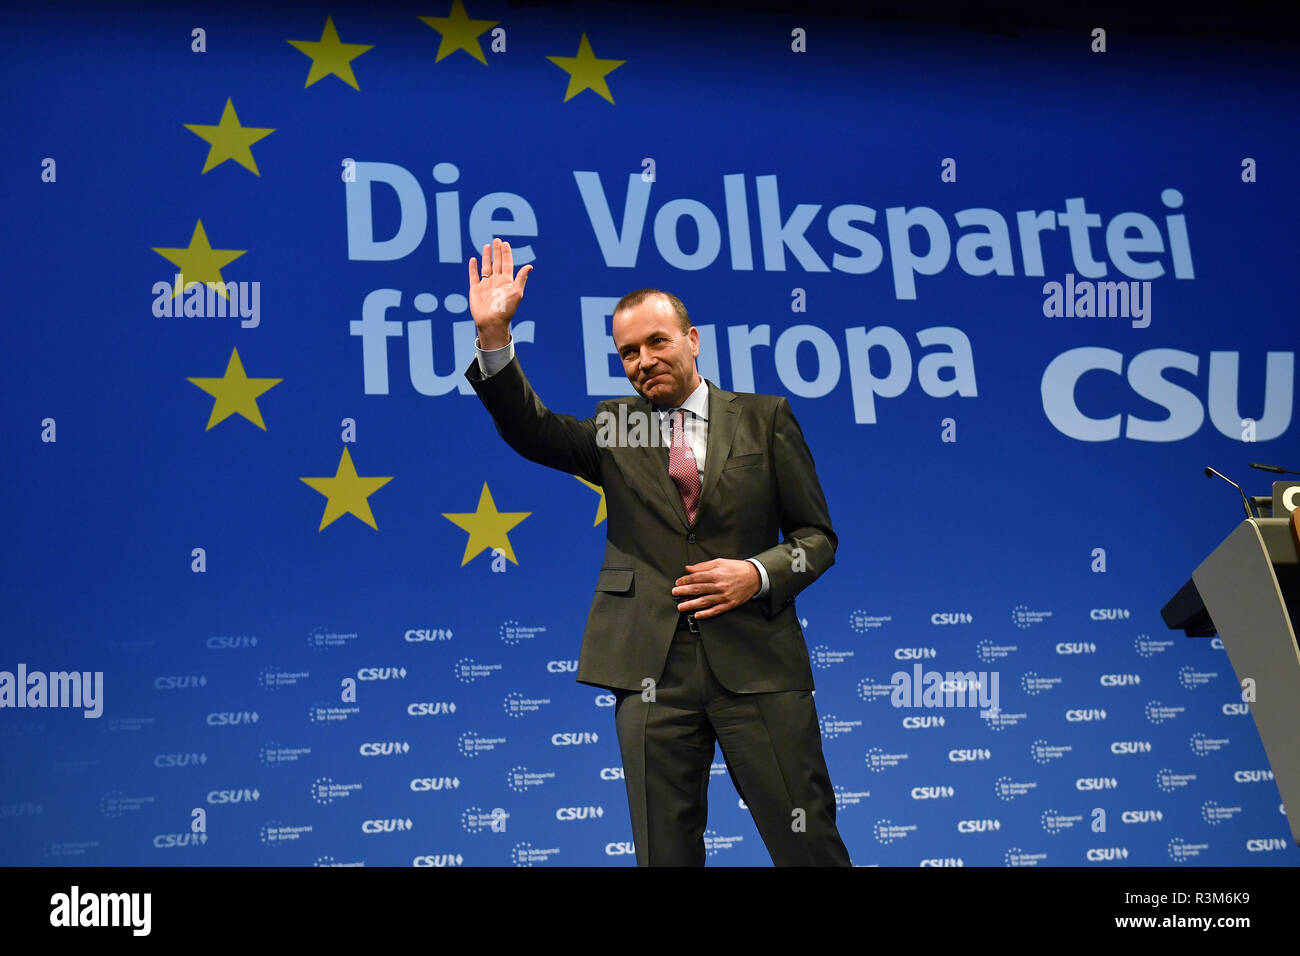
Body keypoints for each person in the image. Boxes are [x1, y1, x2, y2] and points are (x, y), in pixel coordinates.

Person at [464, 237, 851, 866]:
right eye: (627, 353)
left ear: (692, 339)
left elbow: (817, 540)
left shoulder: (765, 417)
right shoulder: (616, 428)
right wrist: (494, 335)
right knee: (663, 856)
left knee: (807, 844)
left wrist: (755, 573)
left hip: (758, 665)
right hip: (651, 674)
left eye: (656, 342)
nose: (642, 360)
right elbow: (530, 428)